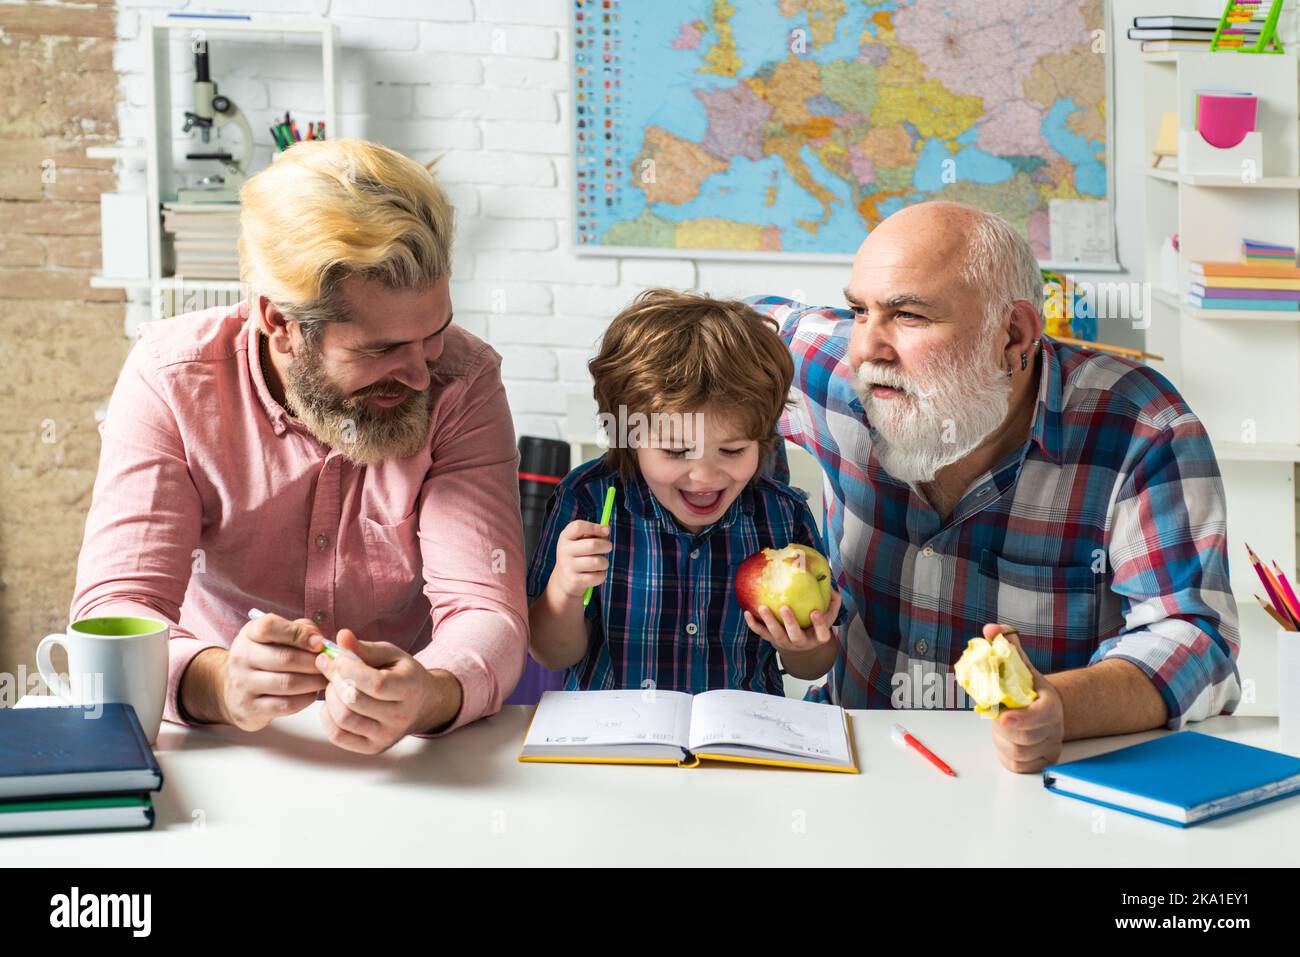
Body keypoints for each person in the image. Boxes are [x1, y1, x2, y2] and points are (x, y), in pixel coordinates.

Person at [748, 201, 1240, 772]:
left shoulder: (1143, 427)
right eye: (859, 310)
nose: (867, 349)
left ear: (1014, 333)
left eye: (909, 316)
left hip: (1037, 779)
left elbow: (1195, 638)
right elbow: (711, 334)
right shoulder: (831, 372)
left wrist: (1060, 706)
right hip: (854, 756)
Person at [71, 139, 527, 754]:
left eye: (433, 334)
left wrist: (430, 691)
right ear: (280, 323)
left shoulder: (464, 380)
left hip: (413, 757)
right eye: (381, 349)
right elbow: (117, 609)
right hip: (224, 748)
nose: (422, 374)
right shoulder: (171, 379)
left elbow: (484, 604)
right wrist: (221, 680)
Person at [527, 289, 840, 694]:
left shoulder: (783, 514)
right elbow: (551, 655)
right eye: (675, 451)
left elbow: (812, 668)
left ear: (763, 441)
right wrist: (564, 590)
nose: (706, 476)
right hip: (613, 744)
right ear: (628, 438)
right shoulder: (586, 499)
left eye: (732, 450)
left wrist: (802, 646)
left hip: (738, 743)